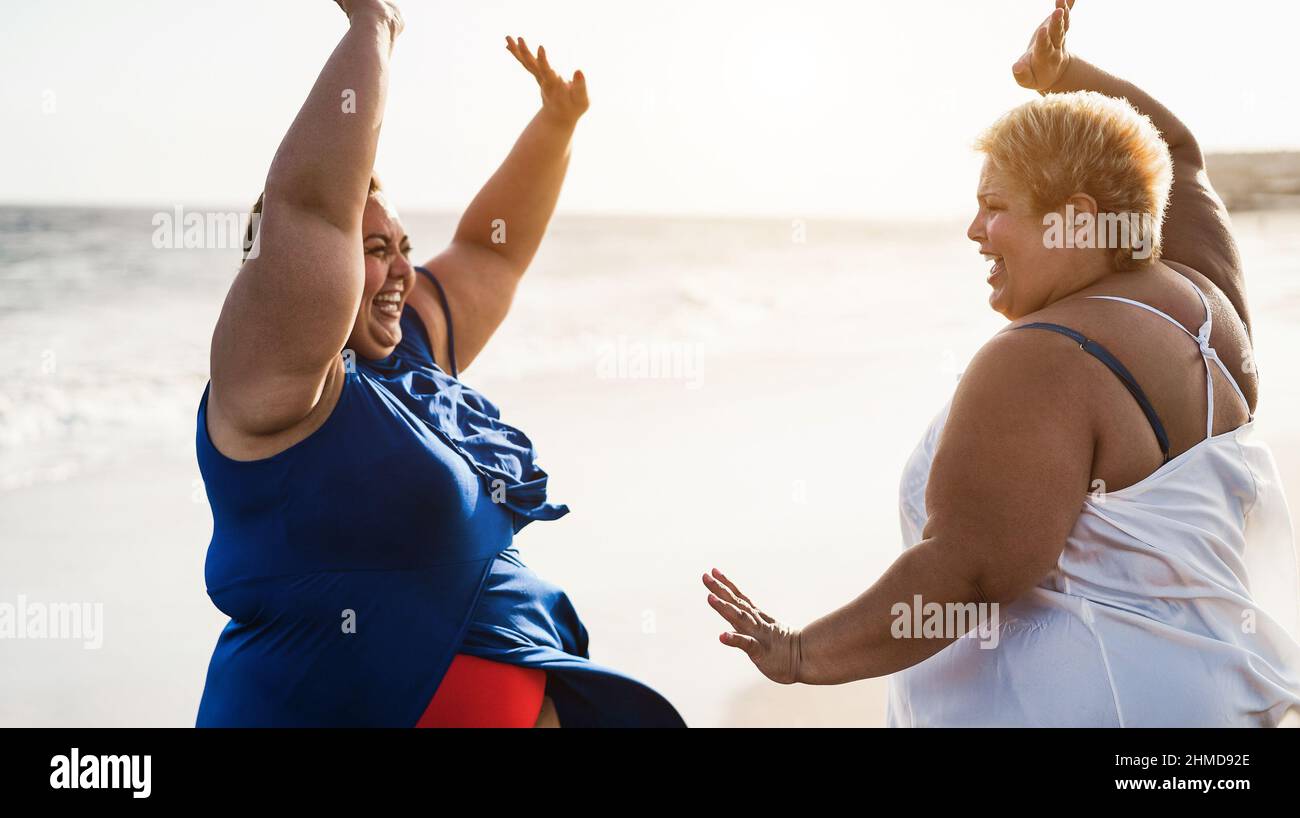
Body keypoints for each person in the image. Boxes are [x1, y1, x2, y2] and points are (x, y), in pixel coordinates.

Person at [704, 0, 1300, 726]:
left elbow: (971, 570)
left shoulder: (1044, 359)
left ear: (1078, 216)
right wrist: (1063, 77)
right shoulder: (1207, 300)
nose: (974, 230)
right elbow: (1175, 149)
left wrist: (802, 654)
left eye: (994, 206)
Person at [196, 0, 683, 727]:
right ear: (305, 270)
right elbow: (310, 208)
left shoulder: (414, 357)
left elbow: (494, 251)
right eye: (372, 250)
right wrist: (375, 27)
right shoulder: (270, 386)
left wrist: (554, 127)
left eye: (402, 247)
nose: (400, 272)